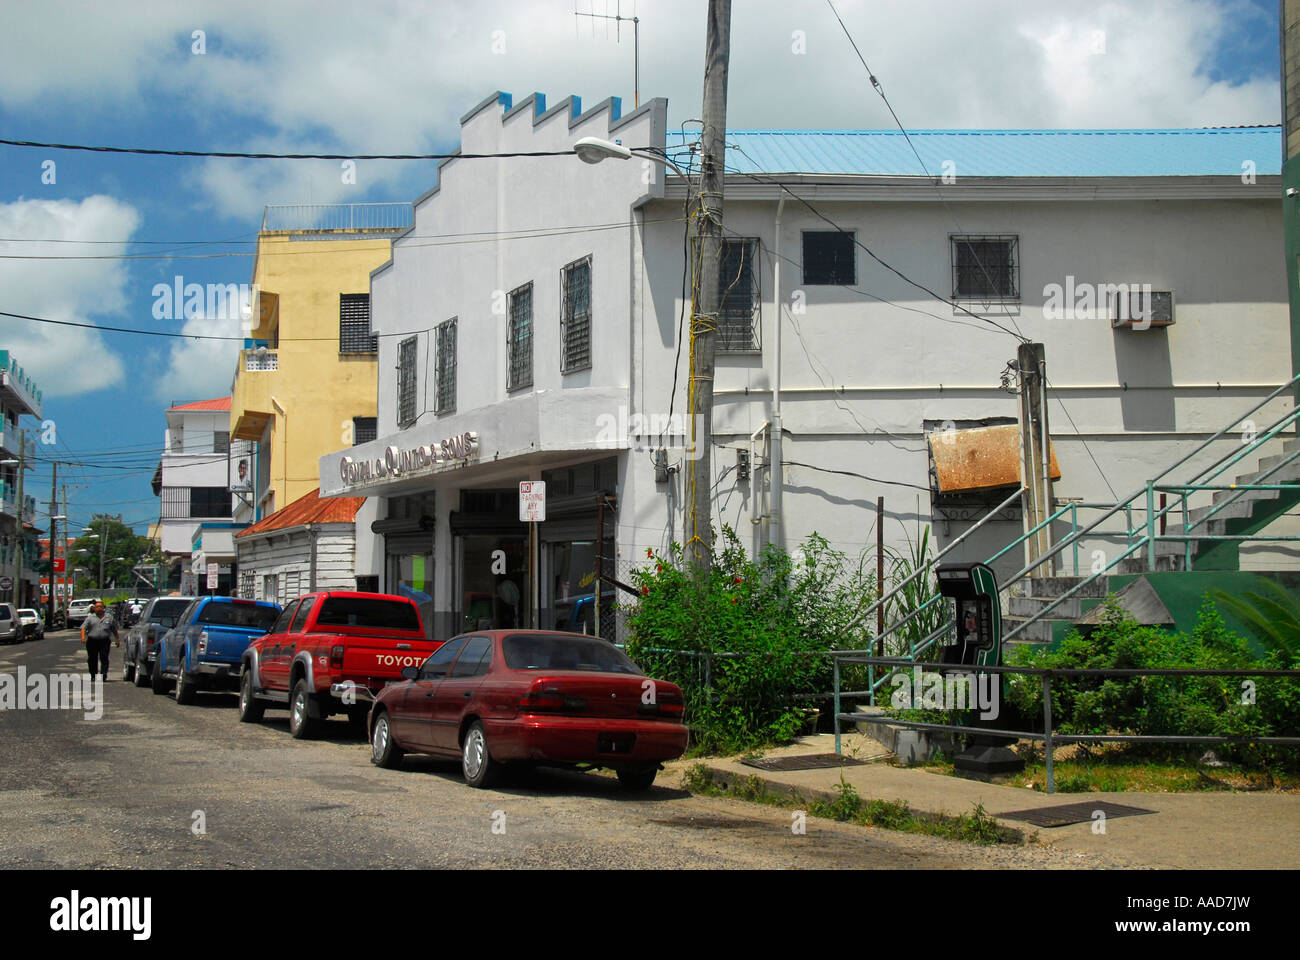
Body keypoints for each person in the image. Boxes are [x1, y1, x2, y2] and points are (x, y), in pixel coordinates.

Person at [81, 600, 119, 682]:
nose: (99, 608)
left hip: (104, 641)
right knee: (92, 658)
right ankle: (93, 674)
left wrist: (117, 639)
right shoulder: (90, 618)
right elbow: (83, 628)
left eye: (100, 607)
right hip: (92, 641)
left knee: (104, 658)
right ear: (94, 608)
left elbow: (114, 629)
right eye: (97, 607)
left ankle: (103, 674)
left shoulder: (109, 617)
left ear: (103, 608)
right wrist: (83, 637)